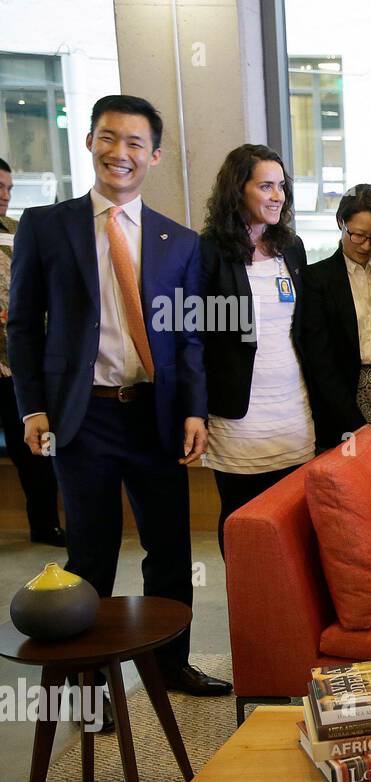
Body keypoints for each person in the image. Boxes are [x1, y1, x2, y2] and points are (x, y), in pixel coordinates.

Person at [8, 95, 226, 699]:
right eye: (109, 138)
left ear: (153, 155)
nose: (120, 153)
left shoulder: (179, 242)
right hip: (84, 417)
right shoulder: (46, 227)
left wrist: (193, 409)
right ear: (90, 143)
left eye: (134, 143)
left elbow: (189, 336)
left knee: (170, 553)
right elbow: (24, 326)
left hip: (154, 413)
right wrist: (33, 407)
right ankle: (88, 686)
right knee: (91, 555)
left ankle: (171, 668)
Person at [200, 144, 326, 558]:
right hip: (238, 412)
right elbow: (197, 337)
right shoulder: (209, 252)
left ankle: (286, 611)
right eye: (266, 186)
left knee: (293, 515)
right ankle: (247, 602)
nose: (278, 196)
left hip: (292, 404)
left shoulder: (291, 247)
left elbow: (304, 327)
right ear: (238, 190)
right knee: (241, 516)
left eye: (282, 187)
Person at [0, 155, 63, 546]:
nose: (4, 196)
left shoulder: (18, 229)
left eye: (8, 188)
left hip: (17, 362)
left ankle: (45, 523)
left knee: (36, 449)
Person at [301, 184, 371, 443]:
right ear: (341, 223)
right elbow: (319, 358)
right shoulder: (317, 279)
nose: (366, 246)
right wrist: (354, 422)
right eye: (358, 235)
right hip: (340, 399)